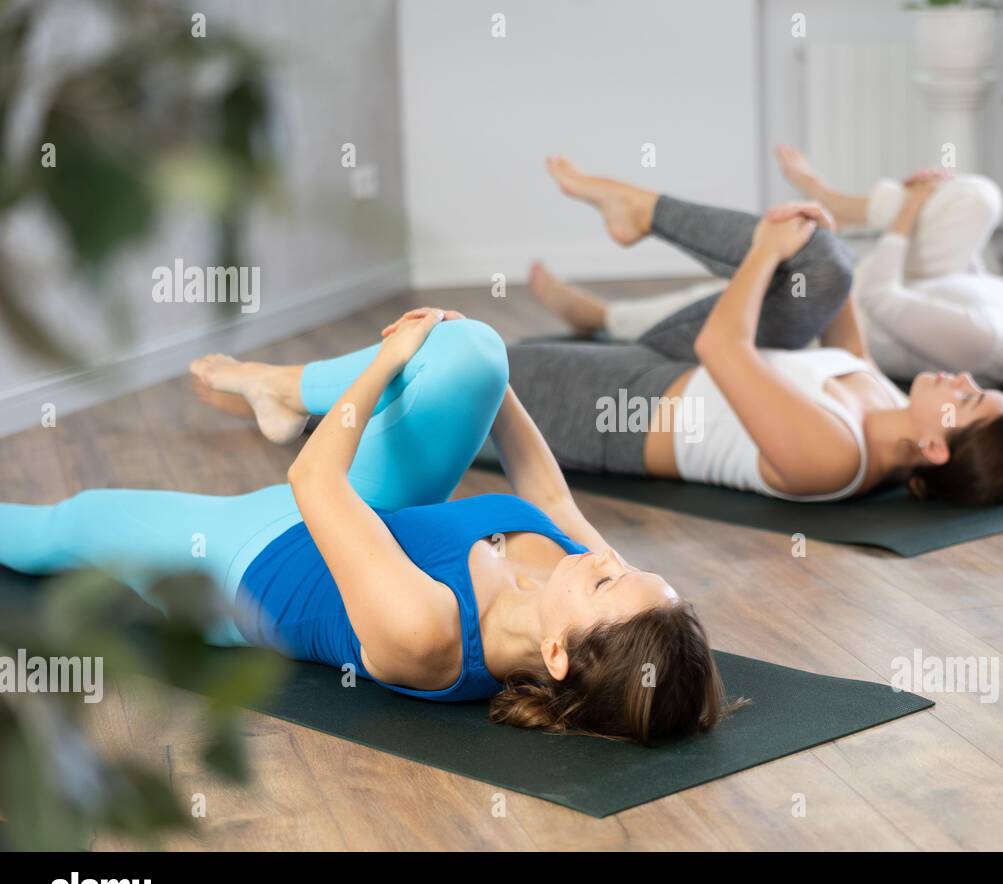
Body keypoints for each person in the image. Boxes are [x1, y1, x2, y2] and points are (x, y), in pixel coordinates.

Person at [0, 310, 730, 744]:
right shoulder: (584, 588)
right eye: (631, 570)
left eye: (612, 577)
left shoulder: (429, 635)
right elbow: (546, 490)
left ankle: (283, 388)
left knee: (61, 528)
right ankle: (277, 388)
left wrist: (388, 359)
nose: (610, 559)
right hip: (370, 511)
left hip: (249, 554)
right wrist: (488, 381)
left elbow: (311, 481)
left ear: (557, 656)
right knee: (473, 351)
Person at [509, 157, 1003, 507]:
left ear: (934, 448)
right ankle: (640, 210)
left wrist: (766, 249)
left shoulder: (837, 457)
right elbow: (846, 344)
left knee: (470, 364)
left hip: (623, 409)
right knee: (824, 263)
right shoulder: (887, 402)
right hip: (674, 365)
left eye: (969, 398)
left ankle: (641, 212)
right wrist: (829, 244)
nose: (964, 378)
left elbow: (720, 347)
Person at [552, 147, 1003, 399]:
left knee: (752, 286)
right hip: (900, 282)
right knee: (977, 199)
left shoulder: (994, 343)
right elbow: (965, 276)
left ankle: (606, 314)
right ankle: (838, 204)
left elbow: (880, 294)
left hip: (858, 306)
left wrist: (907, 212)